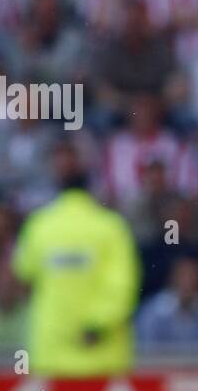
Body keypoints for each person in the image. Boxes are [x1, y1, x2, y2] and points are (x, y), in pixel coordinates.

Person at [11, 144, 141, 376]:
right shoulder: (112, 227)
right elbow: (123, 287)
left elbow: (23, 277)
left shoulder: (39, 225)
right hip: (103, 355)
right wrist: (95, 324)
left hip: (50, 355)